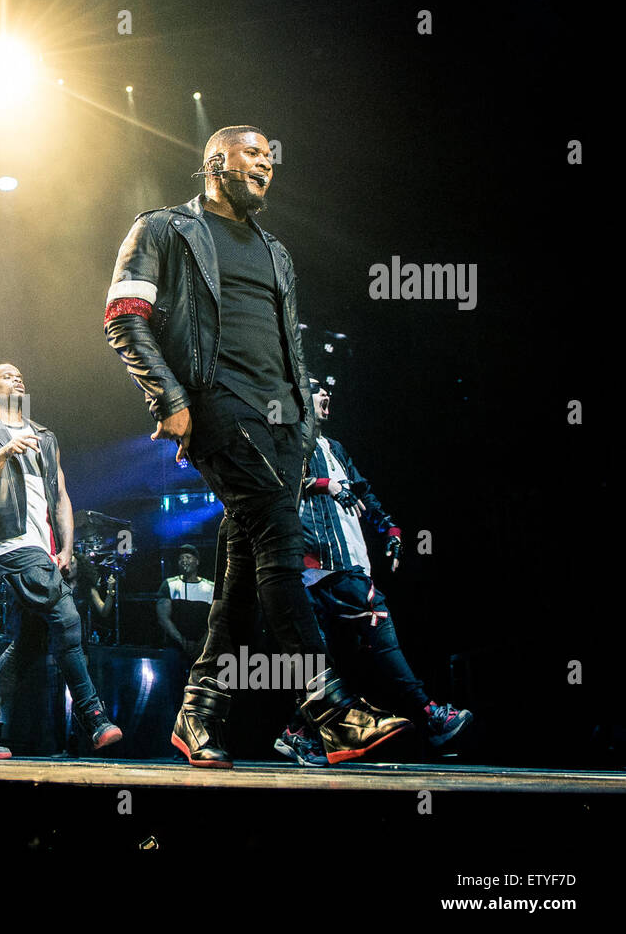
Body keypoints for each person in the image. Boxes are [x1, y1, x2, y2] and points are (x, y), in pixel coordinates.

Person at [103, 125, 410, 767]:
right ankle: (330, 710)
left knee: (244, 570)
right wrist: (171, 399)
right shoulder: (164, 229)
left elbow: (289, 348)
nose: (267, 165)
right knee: (280, 545)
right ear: (217, 161)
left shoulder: (277, 251)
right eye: (254, 155)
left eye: (272, 157)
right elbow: (123, 316)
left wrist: (304, 426)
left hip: (285, 424)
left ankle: (199, 712)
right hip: (217, 407)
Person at [275, 380, 473, 765]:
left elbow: (363, 492)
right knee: (378, 629)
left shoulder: (335, 448)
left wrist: (392, 531)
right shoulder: (290, 444)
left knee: (341, 660)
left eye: (327, 389)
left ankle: (298, 732)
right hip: (322, 564)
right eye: (315, 390)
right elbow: (279, 487)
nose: (326, 395)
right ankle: (432, 715)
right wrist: (326, 484)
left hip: (349, 562)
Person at [0, 363, 122, 758]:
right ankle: (93, 715)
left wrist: (66, 548)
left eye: (19, 374)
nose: (17, 378)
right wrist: (4, 454)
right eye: (7, 376)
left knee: (30, 642)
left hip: (45, 549)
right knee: (67, 617)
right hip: (11, 546)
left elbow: (60, 496)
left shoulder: (45, 437)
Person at [155, 544, 214, 673]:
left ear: (197, 562)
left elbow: (215, 620)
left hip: (202, 649)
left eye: (188, 557)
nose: (184, 561)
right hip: (174, 647)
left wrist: (201, 644)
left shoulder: (210, 588)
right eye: (181, 558)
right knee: (174, 687)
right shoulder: (170, 584)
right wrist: (182, 642)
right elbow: (163, 618)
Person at [68, 551, 116, 645]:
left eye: (72, 563)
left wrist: (110, 591)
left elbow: (104, 611)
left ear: (80, 567)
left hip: (79, 638)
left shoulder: (87, 588)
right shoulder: (59, 585)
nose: (69, 566)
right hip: (58, 636)